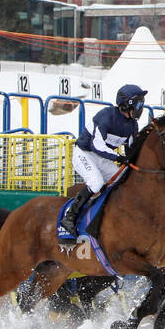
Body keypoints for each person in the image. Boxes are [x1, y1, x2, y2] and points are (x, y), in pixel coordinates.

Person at [63, 84, 147, 242]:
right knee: (96, 182)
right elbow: (97, 145)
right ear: (127, 104)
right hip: (84, 153)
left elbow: (131, 149)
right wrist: (118, 158)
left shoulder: (132, 125)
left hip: (103, 158)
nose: (141, 107)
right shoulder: (106, 116)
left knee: (122, 179)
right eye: (139, 103)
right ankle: (70, 217)